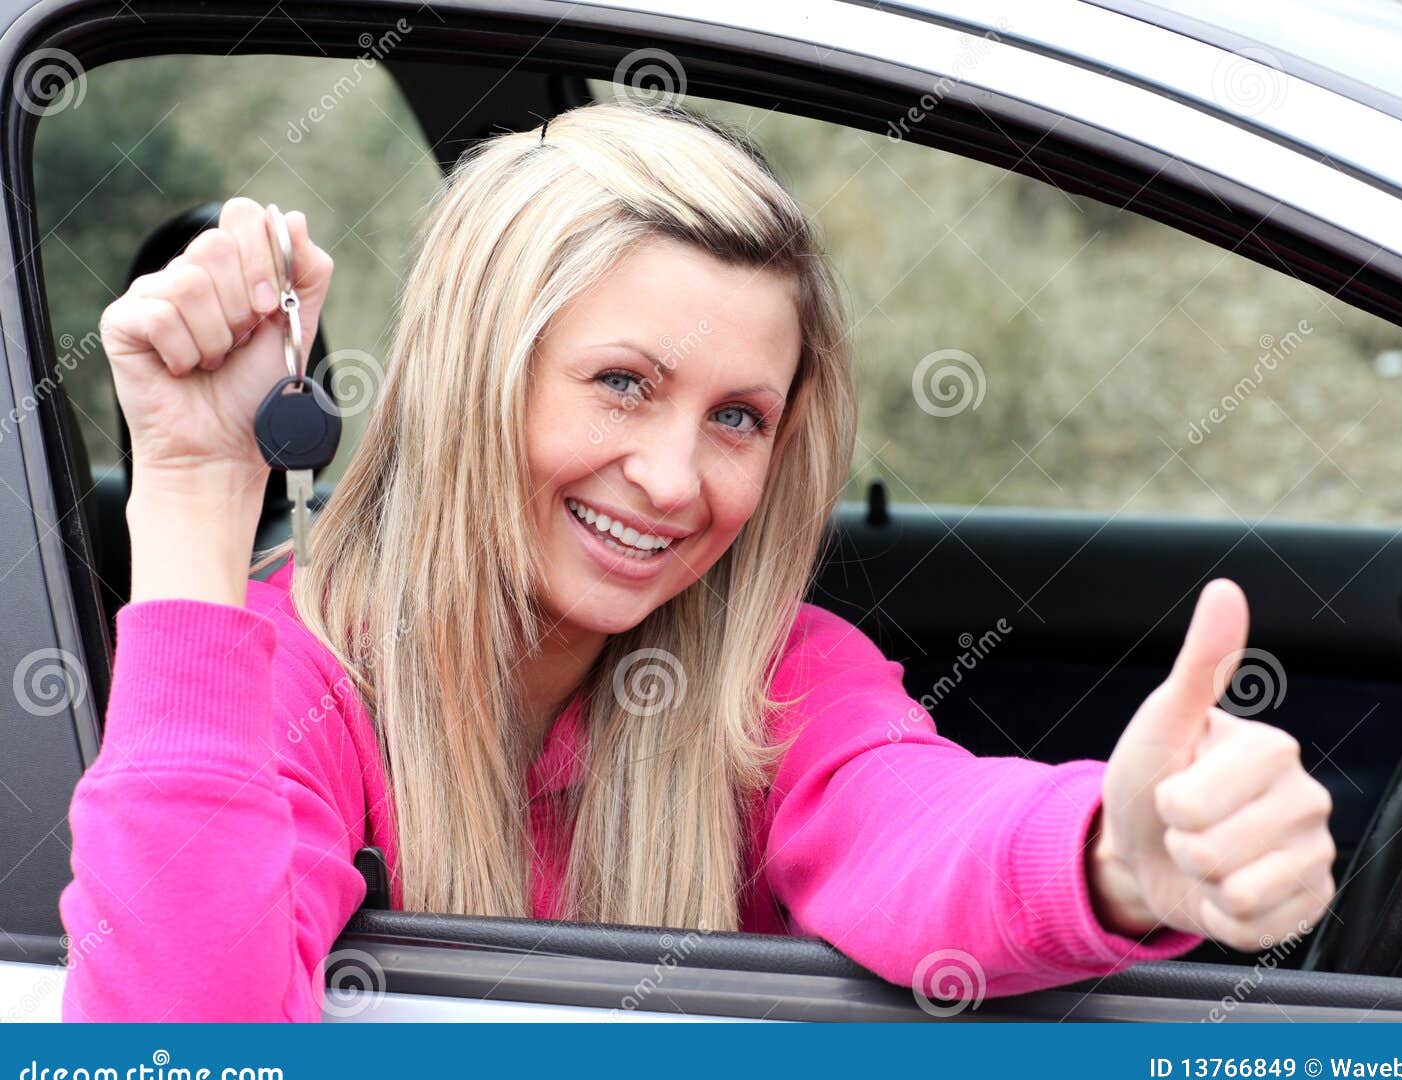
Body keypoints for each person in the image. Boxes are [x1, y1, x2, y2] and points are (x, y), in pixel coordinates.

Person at [60, 102, 1336, 1021]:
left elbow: (913, 824)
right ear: (467, 382)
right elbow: (182, 1054)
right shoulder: (294, 679)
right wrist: (191, 502)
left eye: (737, 418)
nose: (675, 481)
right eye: (622, 384)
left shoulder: (771, 677)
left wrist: (1114, 856)